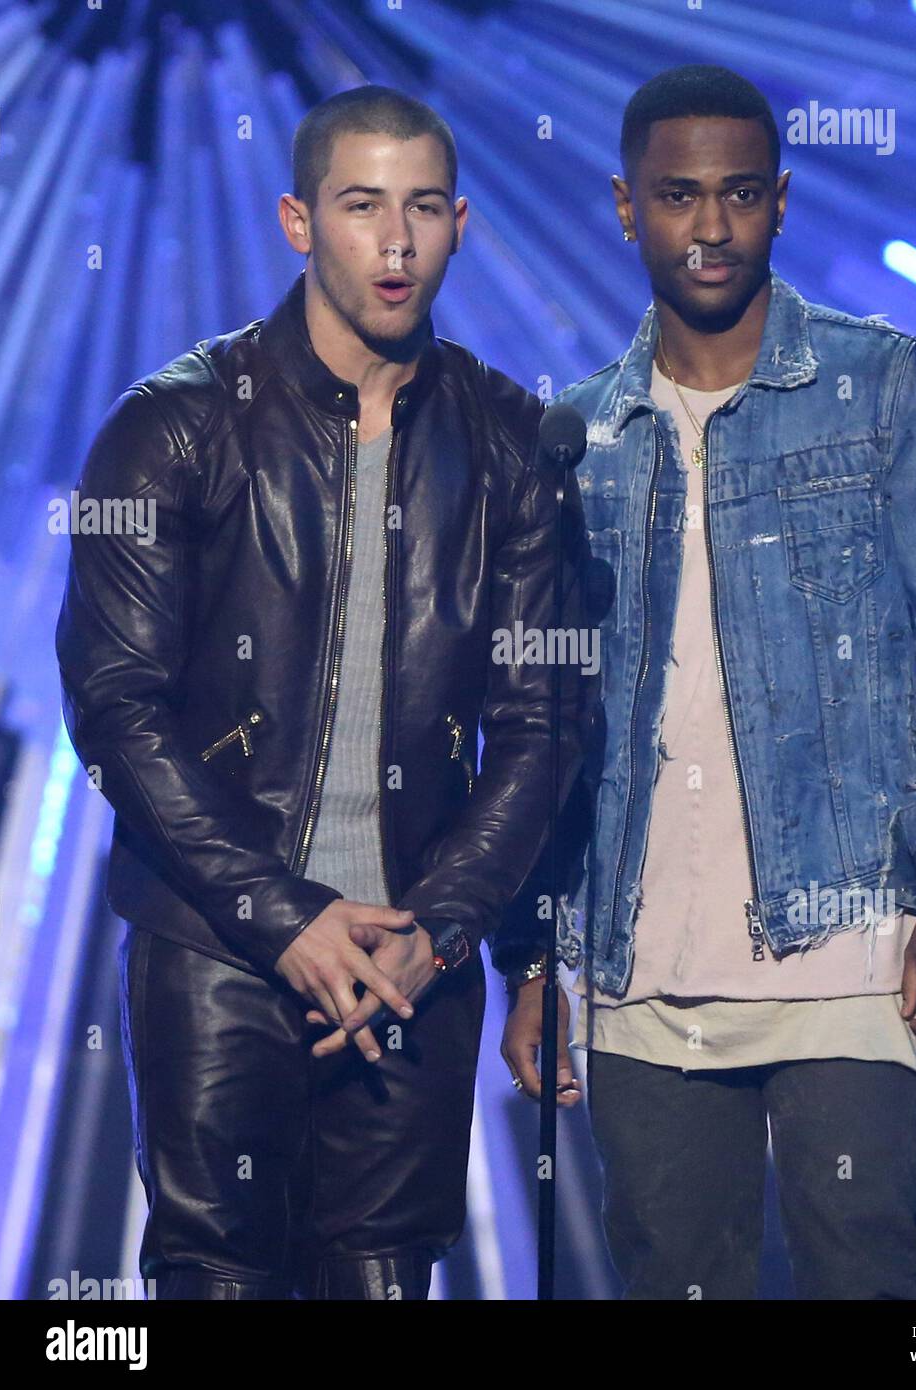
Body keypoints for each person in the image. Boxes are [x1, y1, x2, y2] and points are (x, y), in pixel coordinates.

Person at [502, 64, 916, 1300]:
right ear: (625, 205)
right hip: (639, 965)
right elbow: (552, 726)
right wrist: (534, 954)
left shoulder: (887, 385)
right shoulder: (579, 435)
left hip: (852, 947)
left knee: (865, 1276)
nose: (711, 228)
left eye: (740, 194)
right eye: (679, 195)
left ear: (782, 202)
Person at [54, 84, 593, 1301]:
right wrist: (286, 918)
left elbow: (542, 724)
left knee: (386, 1275)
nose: (395, 244)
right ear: (300, 221)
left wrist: (439, 931)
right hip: (216, 947)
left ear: (461, 223)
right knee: (213, 1276)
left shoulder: (514, 445)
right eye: (361, 207)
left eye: (420, 210)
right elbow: (116, 707)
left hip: (416, 950)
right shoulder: (175, 427)